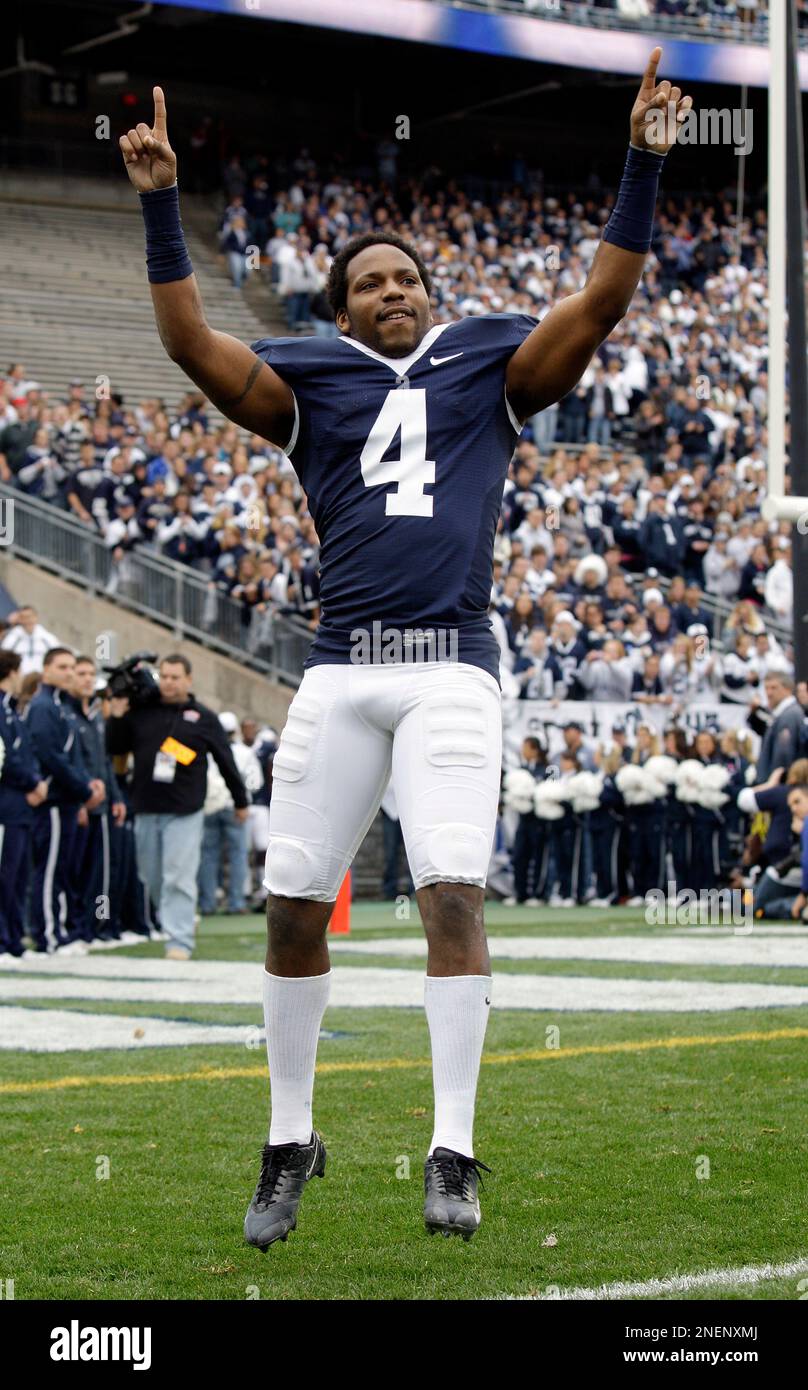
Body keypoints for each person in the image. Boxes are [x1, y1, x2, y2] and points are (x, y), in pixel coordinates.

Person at [119, 53, 692, 1244]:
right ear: (340, 307)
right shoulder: (313, 378)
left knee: (449, 891)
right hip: (340, 661)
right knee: (288, 905)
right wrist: (161, 200)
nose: (393, 290)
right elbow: (186, 342)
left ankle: (453, 1147)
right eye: (371, 280)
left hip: (450, 664)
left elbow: (597, 304)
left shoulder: (486, 359)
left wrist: (639, 159)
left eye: (407, 277)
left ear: (429, 293)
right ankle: (289, 1137)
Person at [105, 654, 249, 959]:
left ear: (188, 680)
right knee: (152, 876)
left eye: (175, 677)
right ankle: (180, 919)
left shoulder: (203, 717)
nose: (168, 682)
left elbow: (226, 761)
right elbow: (115, 748)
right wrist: (117, 716)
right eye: (165, 676)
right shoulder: (141, 711)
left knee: (178, 874)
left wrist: (240, 800)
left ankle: (179, 940)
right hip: (145, 805)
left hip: (185, 808)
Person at [27, 648, 107, 954]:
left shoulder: (59, 706)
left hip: (67, 798)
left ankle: (57, 930)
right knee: (48, 870)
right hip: (55, 801)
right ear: (46, 670)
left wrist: (87, 785)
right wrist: (83, 789)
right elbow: (50, 756)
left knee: (60, 869)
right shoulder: (44, 706)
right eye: (62, 667)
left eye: (72, 667)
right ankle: (47, 935)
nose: (69, 673)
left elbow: (70, 756)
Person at [0, 651, 48, 956]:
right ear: (12, 672)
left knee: (18, 877)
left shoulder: (11, 710)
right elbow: (7, 757)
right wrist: (33, 782)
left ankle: (15, 940)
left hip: (21, 805)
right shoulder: (2, 709)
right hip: (8, 802)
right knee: (6, 876)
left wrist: (36, 782)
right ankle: (3, 941)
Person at [0, 607, 60, 675]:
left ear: (36, 617)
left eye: (29, 617)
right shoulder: (10, 639)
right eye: (23, 617)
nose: (27, 620)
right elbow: (4, 660)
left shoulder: (49, 639)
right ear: (19, 619)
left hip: (42, 678)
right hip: (19, 680)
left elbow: (57, 658)